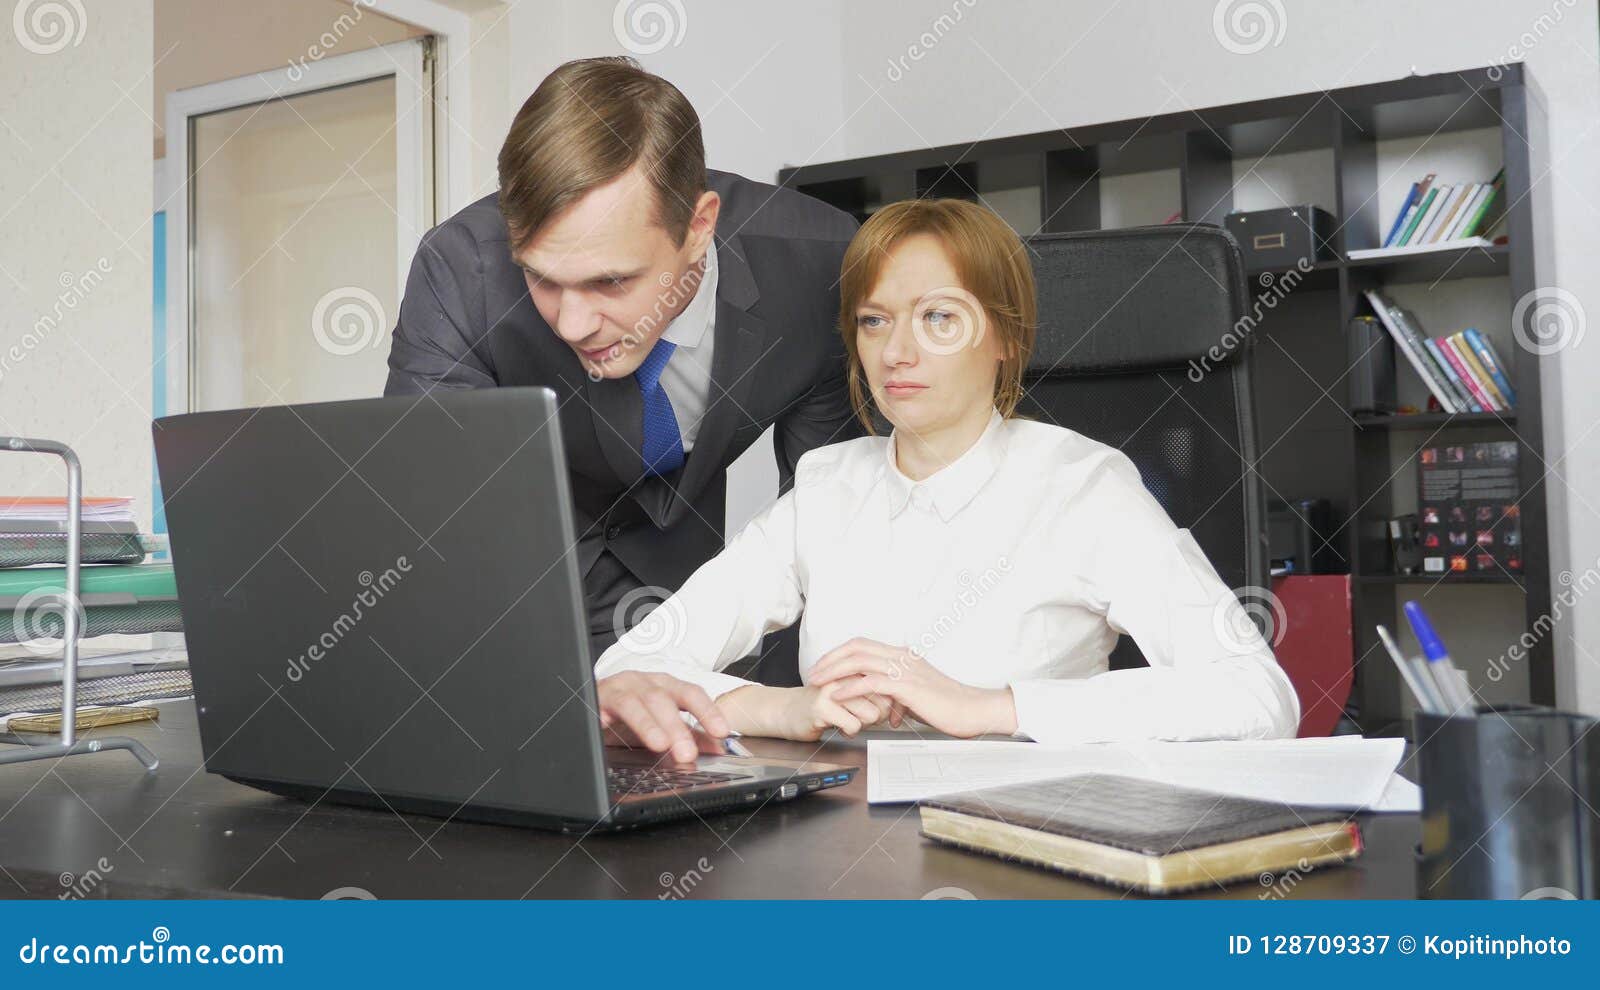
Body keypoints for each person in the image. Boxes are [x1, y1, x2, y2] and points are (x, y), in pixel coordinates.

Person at [592, 198, 1300, 757]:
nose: (897, 351)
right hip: (848, 856)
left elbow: (1260, 698)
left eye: (938, 318)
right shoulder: (828, 485)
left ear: (1005, 337)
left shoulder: (1084, 487)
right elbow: (629, 669)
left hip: (1022, 853)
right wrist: (785, 708)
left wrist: (988, 708)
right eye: (874, 321)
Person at [384, 57, 861, 675]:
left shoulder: (820, 266)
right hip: (520, 608)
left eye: (610, 280)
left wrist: (774, 706)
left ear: (698, 226)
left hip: (698, 615)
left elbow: (827, 514)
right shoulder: (460, 268)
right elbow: (429, 519)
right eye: (541, 277)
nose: (573, 323)